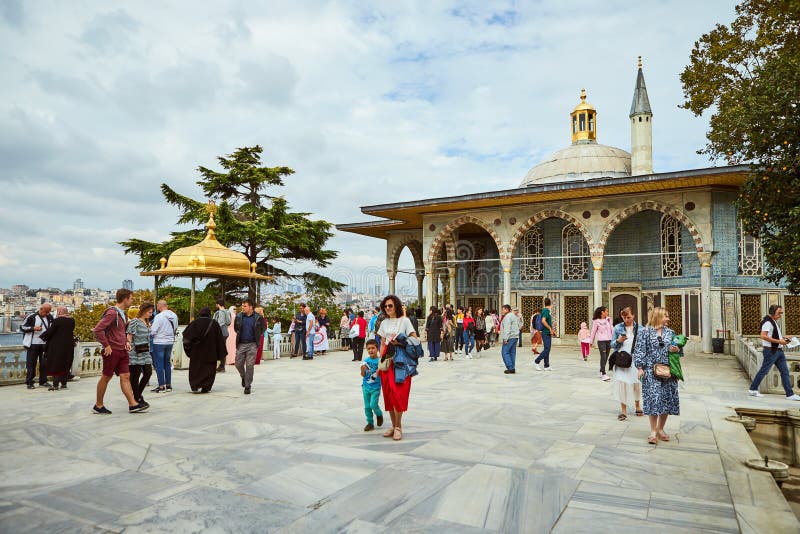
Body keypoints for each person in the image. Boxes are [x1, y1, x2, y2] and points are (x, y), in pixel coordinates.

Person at [91, 289, 148, 414]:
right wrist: (106, 345)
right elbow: (97, 330)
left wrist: (126, 342)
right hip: (112, 351)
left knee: (126, 376)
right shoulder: (112, 313)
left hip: (122, 351)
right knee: (106, 377)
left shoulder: (123, 314)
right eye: (131, 298)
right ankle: (98, 405)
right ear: (125, 299)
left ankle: (133, 404)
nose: (132, 301)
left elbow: (121, 332)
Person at [634, 306, 682, 444]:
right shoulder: (645, 332)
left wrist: (676, 349)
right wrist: (640, 368)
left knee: (666, 400)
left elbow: (678, 352)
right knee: (654, 399)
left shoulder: (671, 333)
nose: (668, 318)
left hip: (668, 371)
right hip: (650, 370)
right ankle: (653, 431)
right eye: (666, 316)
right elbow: (639, 350)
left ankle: (661, 429)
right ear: (658, 316)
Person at [377, 294, 418, 441]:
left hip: (401, 360)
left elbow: (415, 339)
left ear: (396, 306)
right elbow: (382, 343)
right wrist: (380, 363)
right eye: (386, 306)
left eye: (390, 305)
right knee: (388, 394)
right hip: (387, 359)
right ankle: (393, 425)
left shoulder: (405, 321)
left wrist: (400, 341)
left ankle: (398, 426)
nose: (388, 308)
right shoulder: (384, 323)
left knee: (398, 393)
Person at [748, 304, 800, 400]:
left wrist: (784, 338)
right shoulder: (767, 322)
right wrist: (780, 341)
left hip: (779, 351)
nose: (780, 315)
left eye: (781, 313)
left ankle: (790, 394)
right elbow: (763, 336)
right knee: (764, 371)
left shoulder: (773, 321)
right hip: (771, 351)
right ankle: (753, 389)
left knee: (785, 372)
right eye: (779, 313)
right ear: (772, 312)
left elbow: (773, 335)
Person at [183, 307, 227, 393]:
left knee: (196, 369)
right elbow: (220, 340)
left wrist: (189, 351)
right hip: (211, 353)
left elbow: (186, 338)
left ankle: (195, 386)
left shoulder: (194, 323)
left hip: (197, 353)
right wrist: (220, 354)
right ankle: (206, 387)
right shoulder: (214, 324)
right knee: (209, 370)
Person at [610, 307, 644, 420]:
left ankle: (637, 406)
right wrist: (618, 341)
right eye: (624, 317)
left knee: (636, 383)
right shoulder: (617, 328)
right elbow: (612, 344)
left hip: (635, 359)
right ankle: (623, 410)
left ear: (633, 315)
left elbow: (644, 345)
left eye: (628, 317)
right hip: (622, 359)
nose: (626, 319)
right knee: (622, 384)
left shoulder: (641, 329)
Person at [234, 299, 266, 394]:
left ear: (251, 307)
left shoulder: (258, 317)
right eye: (242, 306)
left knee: (249, 365)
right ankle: (243, 376)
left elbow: (263, 328)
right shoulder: (239, 316)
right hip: (241, 344)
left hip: (252, 344)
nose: (242, 308)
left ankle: (247, 386)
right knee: (238, 364)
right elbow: (236, 328)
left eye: (245, 306)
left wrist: (257, 336)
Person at [40, 306, 75, 390]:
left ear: (59, 312)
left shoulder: (57, 321)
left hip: (57, 346)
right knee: (65, 363)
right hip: (68, 346)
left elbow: (50, 332)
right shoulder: (72, 320)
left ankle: (55, 385)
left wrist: (42, 336)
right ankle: (64, 383)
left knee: (56, 364)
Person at [126, 302, 153, 405]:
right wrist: (128, 346)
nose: (151, 314)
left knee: (148, 373)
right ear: (143, 311)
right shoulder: (135, 321)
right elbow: (129, 337)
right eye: (149, 312)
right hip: (135, 352)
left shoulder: (147, 322)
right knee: (135, 376)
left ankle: (137, 396)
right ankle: (137, 398)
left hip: (145, 351)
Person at [21, 303, 53, 389]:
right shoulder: (31, 316)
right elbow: (22, 327)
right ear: (41, 309)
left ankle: (43, 381)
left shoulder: (49, 317)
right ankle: (29, 382)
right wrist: (33, 328)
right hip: (32, 344)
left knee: (44, 364)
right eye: (46, 312)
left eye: (49, 312)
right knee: (31, 364)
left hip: (44, 344)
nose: (47, 314)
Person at [150, 300, 178, 393]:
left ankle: (161, 386)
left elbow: (153, 331)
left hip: (159, 342)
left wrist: (150, 329)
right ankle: (168, 385)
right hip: (170, 342)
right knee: (167, 363)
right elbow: (175, 328)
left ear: (159, 306)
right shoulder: (174, 315)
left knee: (159, 365)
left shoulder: (159, 316)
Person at [360, 339, 384, 431]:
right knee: (367, 406)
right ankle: (370, 423)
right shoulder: (366, 360)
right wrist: (363, 369)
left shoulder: (380, 360)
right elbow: (362, 374)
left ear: (377, 348)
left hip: (376, 387)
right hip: (365, 387)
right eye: (369, 348)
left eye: (373, 348)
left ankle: (379, 414)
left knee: (373, 404)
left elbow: (382, 371)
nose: (371, 350)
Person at [589, 306, 613, 381]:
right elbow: (593, 331)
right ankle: (603, 373)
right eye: (606, 311)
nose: (608, 312)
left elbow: (612, 329)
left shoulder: (608, 319)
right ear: (602, 312)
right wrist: (591, 341)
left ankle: (601, 371)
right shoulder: (596, 321)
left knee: (606, 357)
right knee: (603, 356)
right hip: (601, 341)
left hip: (609, 340)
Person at [534, 298, 555, 371]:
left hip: (547, 332)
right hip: (545, 332)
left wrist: (551, 330)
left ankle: (546, 366)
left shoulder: (545, 311)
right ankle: (536, 361)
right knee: (547, 349)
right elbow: (543, 321)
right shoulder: (546, 311)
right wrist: (550, 329)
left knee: (547, 349)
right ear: (550, 304)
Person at [500, 304, 520, 374]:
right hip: (515, 336)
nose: (502, 311)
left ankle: (510, 367)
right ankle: (512, 368)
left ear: (506, 309)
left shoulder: (508, 317)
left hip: (510, 337)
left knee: (504, 352)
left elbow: (507, 328)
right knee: (512, 353)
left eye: (503, 309)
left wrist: (505, 338)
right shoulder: (513, 316)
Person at [213, 299, 231, 372]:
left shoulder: (220, 312)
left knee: (218, 349)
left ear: (218, 304)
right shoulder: (227, 311)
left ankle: (221, 366)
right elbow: (228, 322)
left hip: (220, 333)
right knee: (222, 349)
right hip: (225, 332)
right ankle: (222, 366)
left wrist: (216, 329)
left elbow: (221, 322)